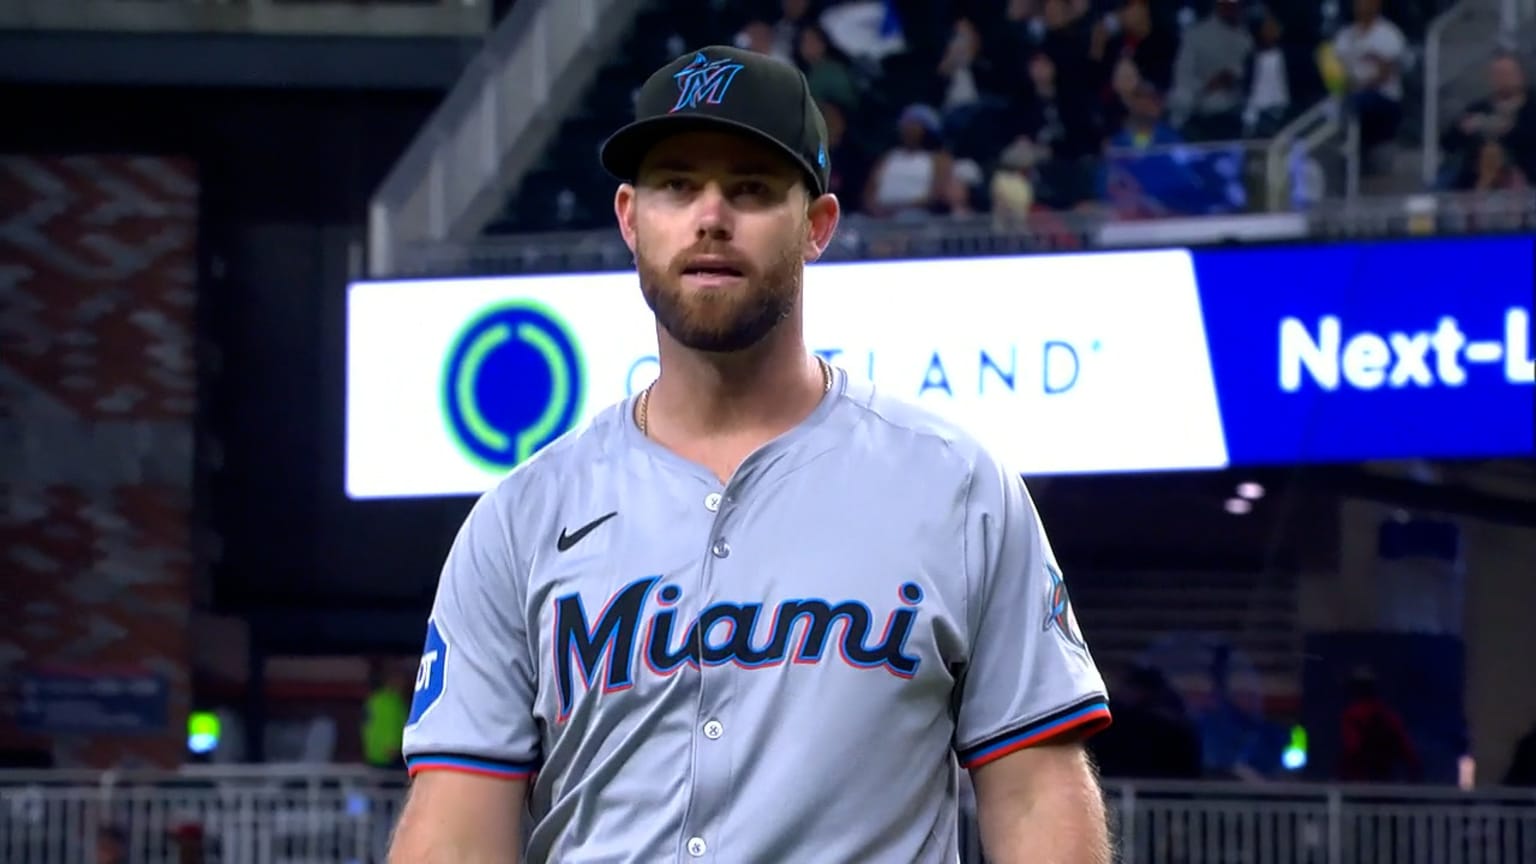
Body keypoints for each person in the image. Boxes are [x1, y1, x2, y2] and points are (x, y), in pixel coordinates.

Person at [387, 45, 1113, 864]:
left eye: (752, 189)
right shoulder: (520, 518)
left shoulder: (956, 486)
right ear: (630, 217)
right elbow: (455, 828)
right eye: (676, 185)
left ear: (817, 226)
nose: (710, 217)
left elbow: (1036, 795)